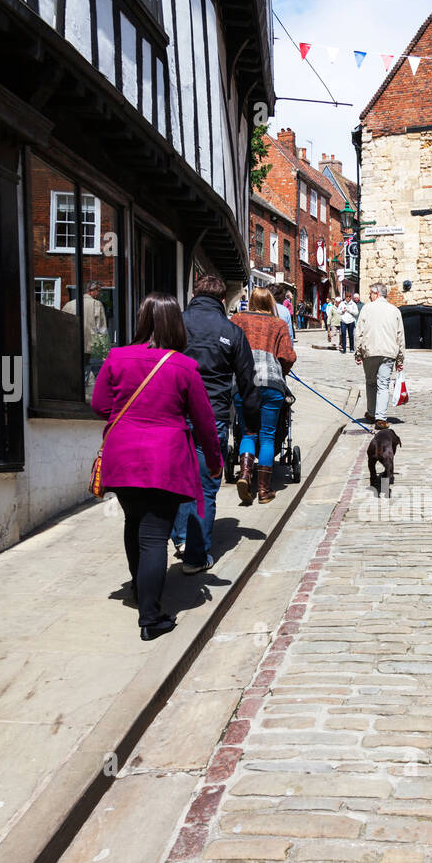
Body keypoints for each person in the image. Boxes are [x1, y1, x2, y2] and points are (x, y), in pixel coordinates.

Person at [91, 293, 221, 640]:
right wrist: (215, 461)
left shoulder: (117, 357)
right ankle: (150, 617)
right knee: (153, 537)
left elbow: (99, 403)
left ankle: (139, 589)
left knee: (134, 523)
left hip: (122, 457)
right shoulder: (183, 366)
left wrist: (128, 420)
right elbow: (205, 421)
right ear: (175, 324)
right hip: (164, 460)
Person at [170, 274, 260, 574]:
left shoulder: (175, 323)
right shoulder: (231, 331)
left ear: (194, 293)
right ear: (223, 300)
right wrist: (252, 422)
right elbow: (247, 381)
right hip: (213, 416)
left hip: (173, 415)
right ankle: (196, 556)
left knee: (177, 483)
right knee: (205, 487)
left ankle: (182, 538)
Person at [233, 288, 296, 505]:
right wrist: (281, 371)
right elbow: (288, 356)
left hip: (244, 383)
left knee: (248, 434)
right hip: (271, 384)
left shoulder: (238, 319)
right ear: (271, 302)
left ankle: (244, 475)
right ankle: (263, 490)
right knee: (268, 436)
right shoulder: (278, 324)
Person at [354, 282, 405, 429]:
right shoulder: (395, 310)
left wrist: (358, 353)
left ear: (376, 293)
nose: (369, 296)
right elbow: (400, 337)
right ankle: (381, 418)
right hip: (388, 352)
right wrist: (400, 359)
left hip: (369, 351)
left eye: (370, 294)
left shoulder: (367, 308)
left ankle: (371, 412)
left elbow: (359, 333)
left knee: (370, 382)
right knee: (383, 385)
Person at [64, 280, 107, 372]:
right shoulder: (96, 304)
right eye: (99, 291)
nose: (100, 294)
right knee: (86, 372)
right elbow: (101, 329)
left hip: (71, 346)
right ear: (91, 290)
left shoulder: (69, 304)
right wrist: (104, 351)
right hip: (89, 347)